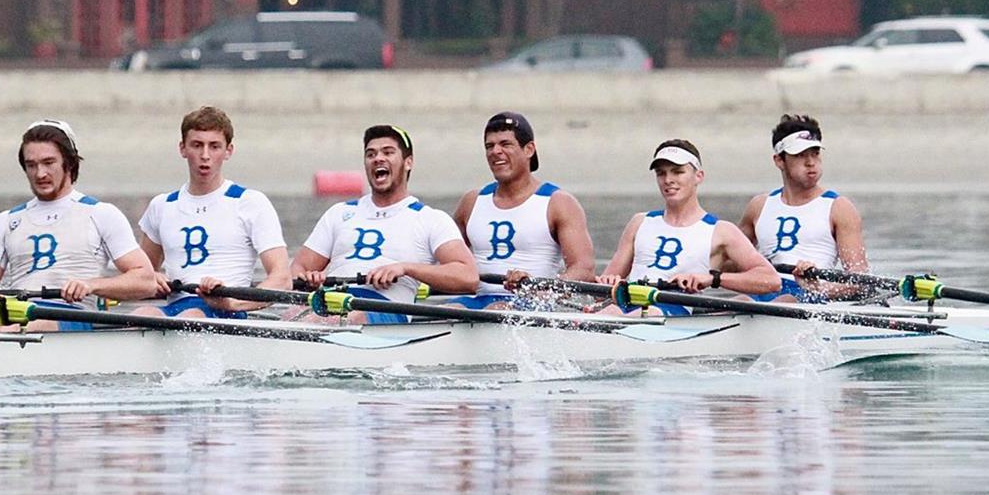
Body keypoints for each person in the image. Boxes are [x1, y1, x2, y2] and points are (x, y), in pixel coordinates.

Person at [0, 119, 157, 331]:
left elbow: (145, 281)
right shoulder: (6, 221)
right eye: (31, 165)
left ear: (70, 163)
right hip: (17, 312)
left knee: (9, 330)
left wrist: (92, 285)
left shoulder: (101, 214)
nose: (40, 174)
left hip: (71, 314)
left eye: (49, 163)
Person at [292, 124, 479, 323]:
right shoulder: (339, 213)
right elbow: (299, 268)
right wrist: (309, 280)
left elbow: (468, 277)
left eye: (388, 152)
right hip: (332, 302)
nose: (378, 158)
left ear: (408, 163)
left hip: (386, 308)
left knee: (337, 320)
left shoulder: (430, 219)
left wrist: (406, 268)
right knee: (291, 316)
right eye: (370, 154)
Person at [136, 106, 290, 318]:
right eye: (197, 145)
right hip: (177, 306)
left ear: (228, 151)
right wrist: (152, 277)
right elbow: (139, 275)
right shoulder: (162, 205)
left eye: (214, 146)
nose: (205, 155)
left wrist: (233, 303)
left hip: (227, 310)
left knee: (191, 316)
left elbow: (282, 278)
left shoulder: (250, 202)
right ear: (182, 148)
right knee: (143, 314)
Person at [599, 139, 781, 313]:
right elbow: (603, 290)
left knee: (649, 312)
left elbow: (771, 280)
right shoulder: (639, 222)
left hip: (673, 313)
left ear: (698, 176)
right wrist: (609, 281)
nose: (668, 180)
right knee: (610, 309)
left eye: (677, 172)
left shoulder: (721, 232)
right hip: (626, 307)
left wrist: (713, 279)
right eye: (661, 173)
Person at [450, 110, 596, 307]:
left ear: (529, 150)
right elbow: (447, 259)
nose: (495, 152)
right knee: (447, 310)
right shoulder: (472, 202)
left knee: (497, 309)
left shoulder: (558, 203)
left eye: (505, 144)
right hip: (479, 301)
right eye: (489, 146)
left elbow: (583, 269)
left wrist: (543, 289)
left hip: (532, 303)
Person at [738, 114, 869, 299]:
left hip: (811, 297)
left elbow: (860, 281)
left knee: (785, 300)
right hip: (765, 290)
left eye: (815, 153)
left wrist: (818, 288)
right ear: (779, 161)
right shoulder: (758, 206)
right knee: (734, 302)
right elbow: (727, 263)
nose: (810, 163)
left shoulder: (839, 208)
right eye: (800, 155)